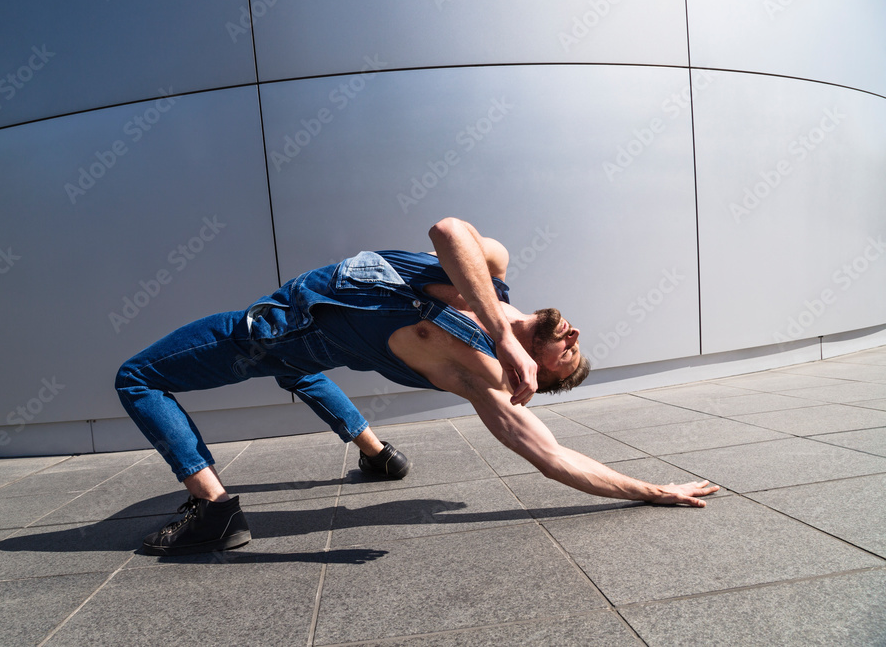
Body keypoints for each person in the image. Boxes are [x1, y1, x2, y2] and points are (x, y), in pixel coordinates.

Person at [116, 217, 719, 556]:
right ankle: (378, 454)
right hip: (311, 345)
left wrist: (650, 490)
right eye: (574, 341)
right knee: (300, 373)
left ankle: (215, 510)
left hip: (271, 330)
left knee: (137, 377)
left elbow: (551, 456)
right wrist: (506, 336)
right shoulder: (492, 275)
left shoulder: (476, 375)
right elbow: (448, 230)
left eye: (570, 354)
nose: (574, 334)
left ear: (535, 375)